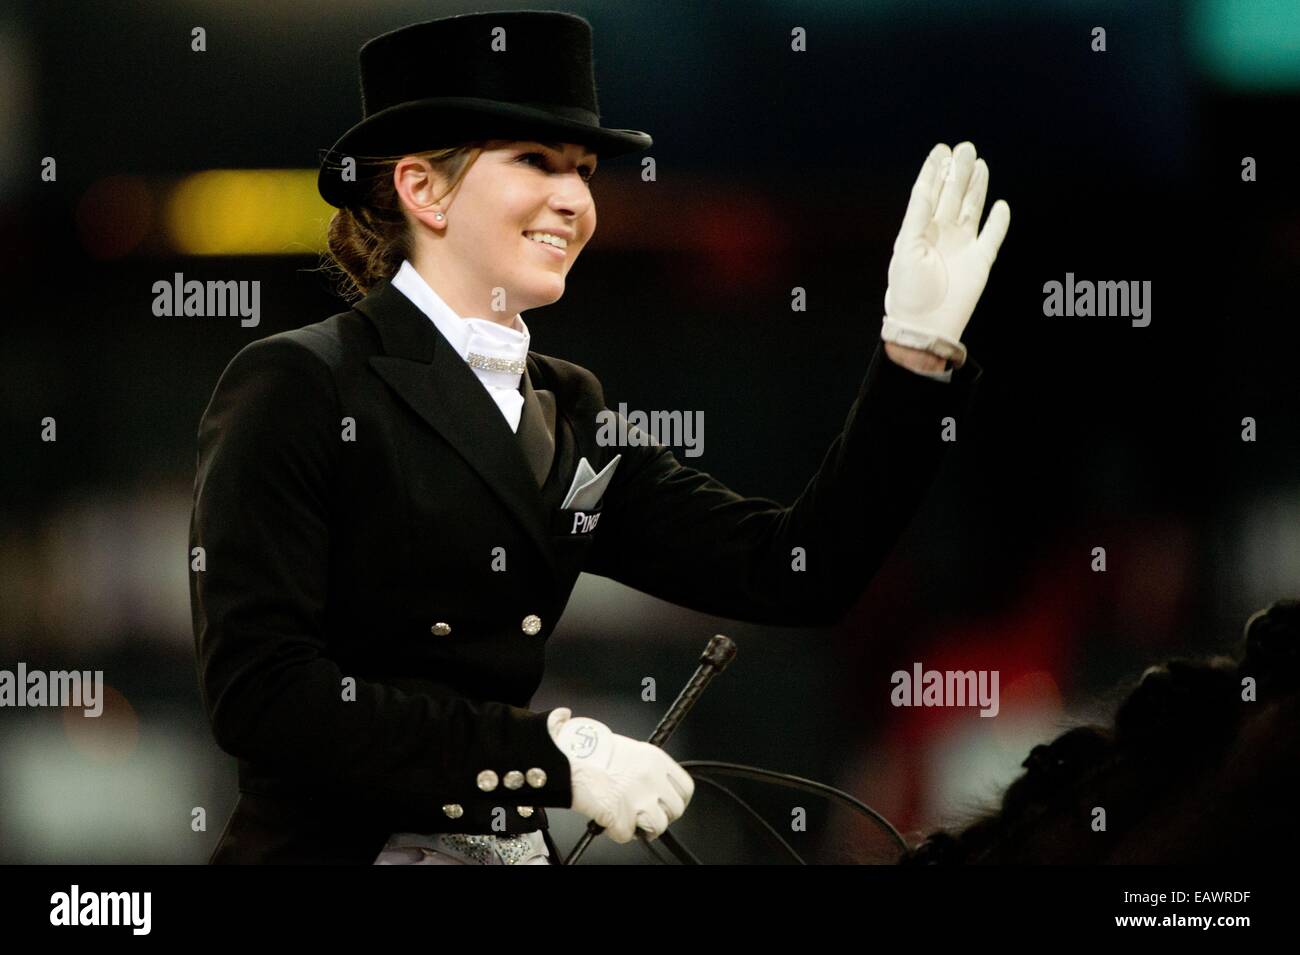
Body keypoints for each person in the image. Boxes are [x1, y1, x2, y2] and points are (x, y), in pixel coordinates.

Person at [189, 10, 1010, 865]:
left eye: (582, 171)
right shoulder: (299, 382)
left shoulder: (568, 409)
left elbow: (796, 570)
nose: (574, 200)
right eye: (535, 163)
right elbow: (264, 695)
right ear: (422, 189)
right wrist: (548, 757)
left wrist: (914, 355)